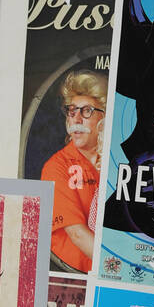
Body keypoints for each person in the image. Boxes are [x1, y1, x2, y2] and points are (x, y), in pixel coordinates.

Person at [41, 70, 107, 275]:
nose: (76, 118)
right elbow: (77, 234)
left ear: (104, 117)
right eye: (72, 111)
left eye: (87, 111)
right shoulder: (57, 166)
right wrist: (120, 269)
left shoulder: (116, 161)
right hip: (72, 278)